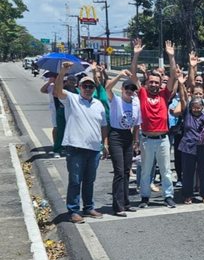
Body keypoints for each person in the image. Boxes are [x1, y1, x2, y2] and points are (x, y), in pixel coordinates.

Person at [53, 61, 109, 223]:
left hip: (93, 149)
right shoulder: (72, 99)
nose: (88, 89)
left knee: (89, 181)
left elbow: (103, 126)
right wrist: (62, 71)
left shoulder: (98, 104)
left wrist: (104, 144)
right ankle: (73, 210)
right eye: (85, 86)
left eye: (90, 87)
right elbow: (57, 91)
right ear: (79, 87)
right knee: (75, 181)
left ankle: (89, 207)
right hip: (75, 148)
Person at [130, 38, 178, 209]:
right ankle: (145, 198)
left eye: (156, 83)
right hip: (146, 140)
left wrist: (171, 56)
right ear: (147, 83)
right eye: (151, 82)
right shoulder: (142, 93)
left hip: (163, 139)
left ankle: (168, 196)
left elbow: (173, 75)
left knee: (166, 171)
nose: (153, 84)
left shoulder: (165, 95)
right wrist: (136, 55)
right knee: (145, 171)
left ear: (160, 84)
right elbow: (133, 75)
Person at [104, 70, 140, 216]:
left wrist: (136, 140)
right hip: (115, 135)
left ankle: (125, 202)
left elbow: (137, 124)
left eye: (132, 90)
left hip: (128, 135)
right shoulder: (116, 100)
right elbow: (107, 88)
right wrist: (119, 76)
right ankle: (118, 206)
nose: (130, 92)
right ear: (123, 89)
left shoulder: (136, 103)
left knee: (126, 171)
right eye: (127, 89)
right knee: (119, 171)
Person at [175, 76, 204, 204]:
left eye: (198, 107)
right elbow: (184, 98)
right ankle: (187, 195)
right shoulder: (187, 114)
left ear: (202, 107)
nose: (196, 109)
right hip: (187, 147)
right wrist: (181, 85)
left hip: (203, 147)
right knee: (188, 172)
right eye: (194, 107)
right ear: (190, 107)